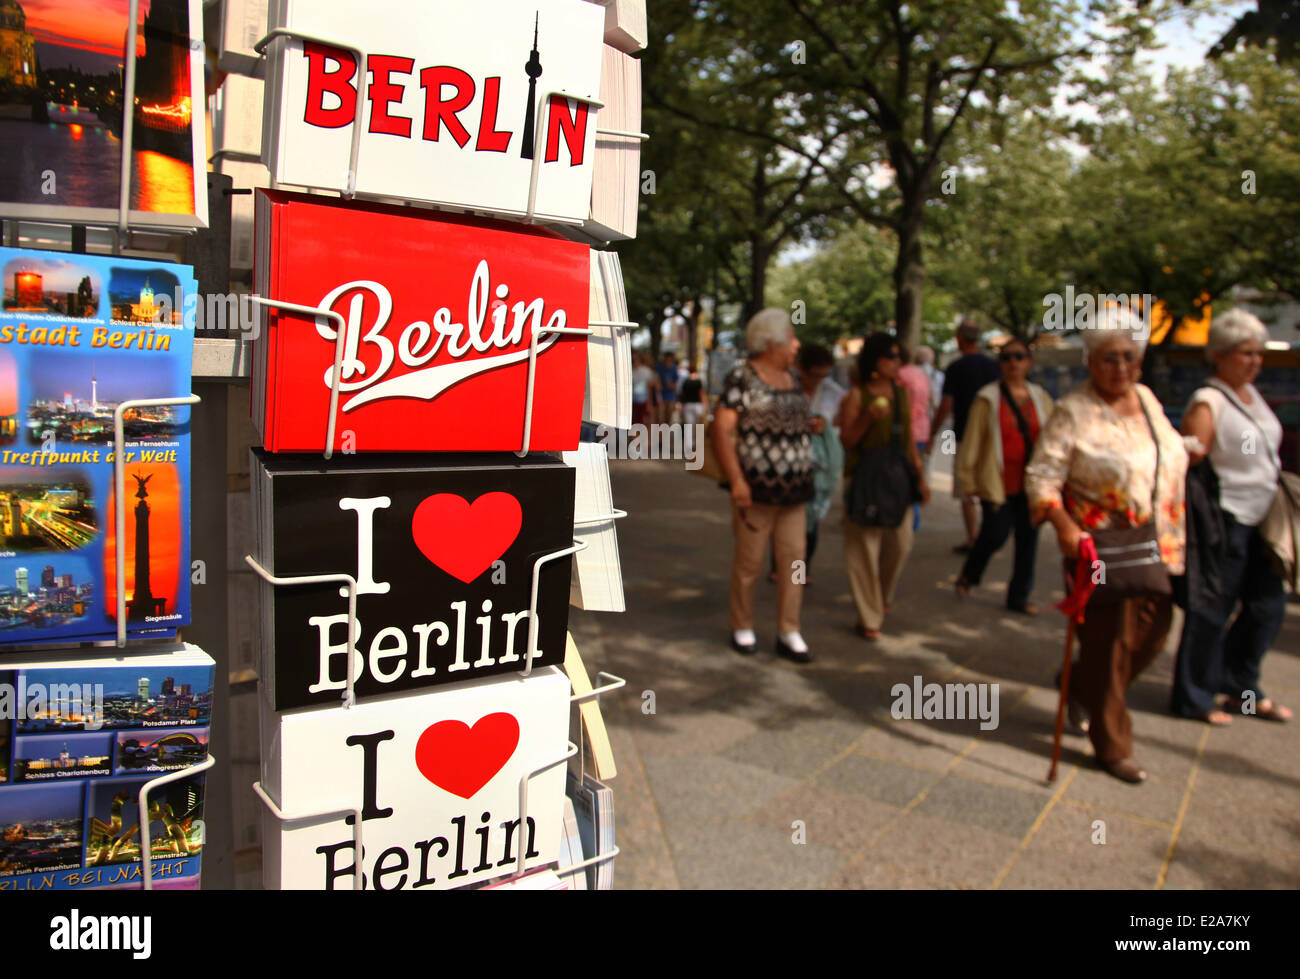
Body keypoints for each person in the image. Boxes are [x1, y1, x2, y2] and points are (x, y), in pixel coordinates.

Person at [1025, 308, 1189, 784]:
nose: (1122, 368)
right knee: (1112, 642)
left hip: (1158, 542)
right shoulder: (1073, 410)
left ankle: (1080, 683)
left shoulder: (1147, 399)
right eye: (1110, 358)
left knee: (1155, 631)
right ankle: (1112, 744)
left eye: (1130, 357)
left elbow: (1165, 452)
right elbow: (1041, 476)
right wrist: (1061, 522)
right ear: (1091, 361)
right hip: (1101, 546)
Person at [1172, 310, 1291, 724]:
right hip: (1226, 522)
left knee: (1267, 607)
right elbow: (1190, 452)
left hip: (1264, 520)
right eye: (1245, 353)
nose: (1255, 361)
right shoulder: (1209, 400)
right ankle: (1194, 695)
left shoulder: (1251, 396)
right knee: (1211, 610)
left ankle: (1240, 686)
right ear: (1219, 355)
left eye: (1259, 353)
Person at [714, 309, 817, 663]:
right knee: (750, 562)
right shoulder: (742, 377)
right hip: (756, 491)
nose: (796, 343)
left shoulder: (792, 378)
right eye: (791, 336)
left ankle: (789, 630)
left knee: (794, 563)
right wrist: (737, 480)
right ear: (771, 341)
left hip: (795, 492)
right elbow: (722, 431)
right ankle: (742, 624)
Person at [839, 332, 930, 641]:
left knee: (900, 543)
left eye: (899, 357)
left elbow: (909, 443)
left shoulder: (903, 395)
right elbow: (847, 440)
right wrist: (866, 418)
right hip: (864, 478)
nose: (897, 362)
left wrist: (920, 477)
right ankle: (869, 617)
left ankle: (881, 597)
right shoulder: (858, 395)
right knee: (863, 547)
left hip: (896, 478)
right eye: (891, 357)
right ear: (875, 362)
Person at [954, 337, 1055, 613]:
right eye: (1007, 357)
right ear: (1000, 364)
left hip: (1032, 482)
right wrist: (967, 480)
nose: (1013, 363)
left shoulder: (1040, 397)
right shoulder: (987, 398)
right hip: (997, 480)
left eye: (1019, 357)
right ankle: (970, 574)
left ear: (1029, 362)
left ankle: (1019, 597)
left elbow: (1054, 437)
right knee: (995, 534)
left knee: (1028, 540)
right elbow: (972, 440)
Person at [930, 321, 999, 552]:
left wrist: (933, 432)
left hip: (965, 436)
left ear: (960, 338)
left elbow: (946, 404)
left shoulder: (956, 368)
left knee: (967, 490)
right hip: (991, 435)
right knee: (989, 485)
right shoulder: (993, 366)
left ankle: (973, 538)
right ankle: (989, 536)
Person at [679, 364, 708, 455]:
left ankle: (688, 446)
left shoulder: (686, 381)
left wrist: (680, 404)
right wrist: (705, 405)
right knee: (697, 426)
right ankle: (696, 446)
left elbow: (682, 394)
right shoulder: (699, 381)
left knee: (689, 426)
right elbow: (701, 393)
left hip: (687, 405)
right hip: (697, 405)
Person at [631, 353, 659, 427]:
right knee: (636, 421)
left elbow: (651, 387)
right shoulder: (630, 371)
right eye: (633, 360)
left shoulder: (646, 371)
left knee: (646, 421)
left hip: (645, 400)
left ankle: (647, 437)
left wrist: (649, 402)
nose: (634, 362)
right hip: (634, 401)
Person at [656, 352, 680, 424]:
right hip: (661, 395)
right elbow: (656, 380)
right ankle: (660, 433)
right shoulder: (659, 368)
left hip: (670, 396)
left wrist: (671, 385)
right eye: (666, 359)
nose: (667, 362)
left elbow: (675, 385)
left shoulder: (674, 369)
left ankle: (666, 432)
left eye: (669, 360)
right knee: (660, 417)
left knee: (668, 416)